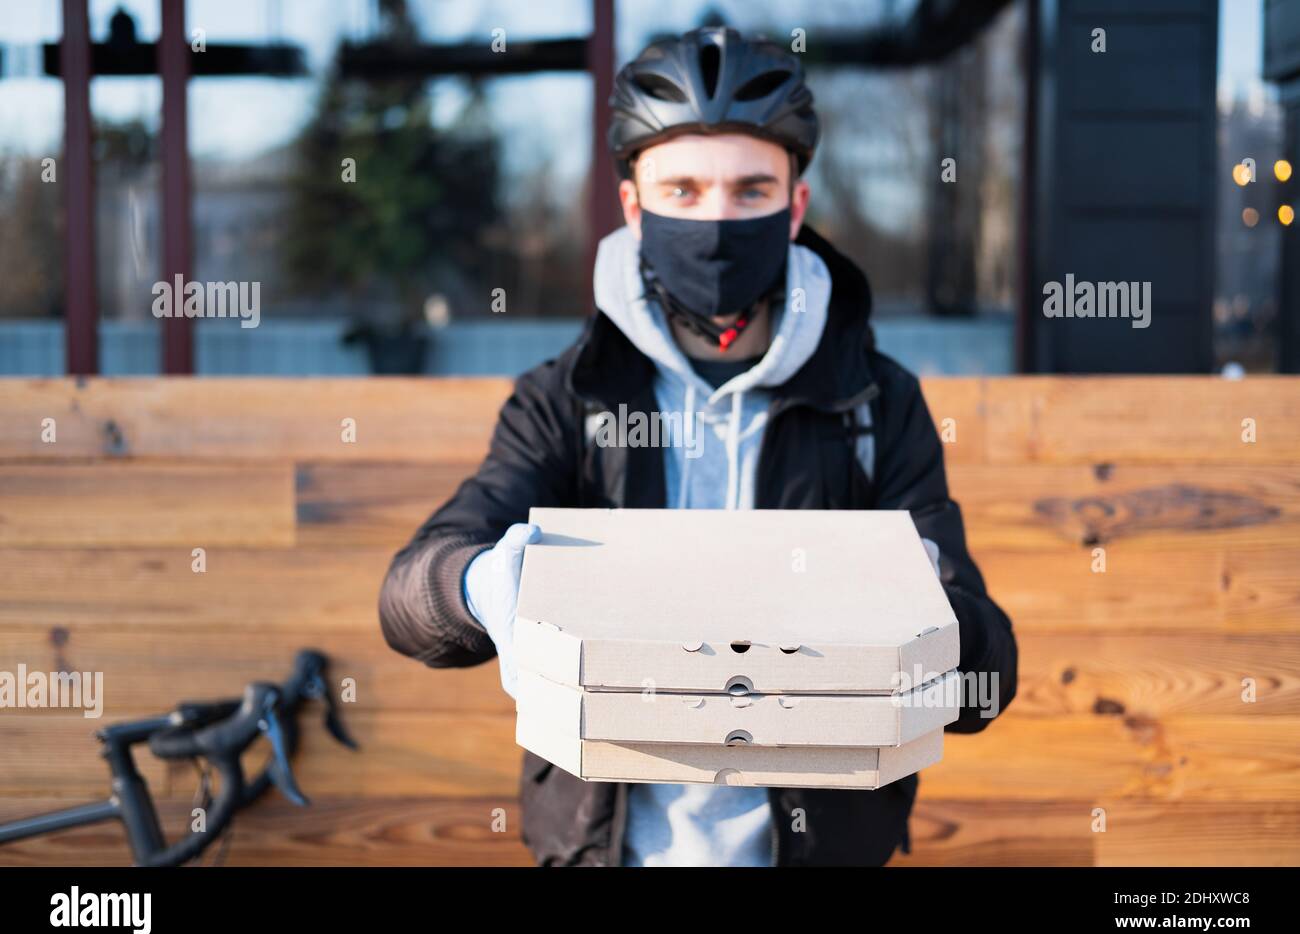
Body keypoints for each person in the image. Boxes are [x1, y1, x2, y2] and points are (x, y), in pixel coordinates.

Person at [379, 26, 1017, 867]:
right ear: (633, 206)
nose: (715, 221)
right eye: (682, 189)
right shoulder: (565, 398)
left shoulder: (876, 401)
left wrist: (925, 619)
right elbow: (407, 598)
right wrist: (477, 585)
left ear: (795, 206)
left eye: (750, 190)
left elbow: (984, 680)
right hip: (606, 851)